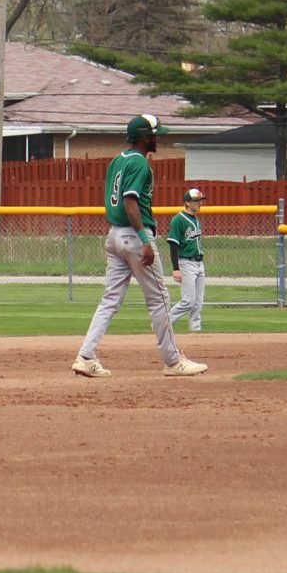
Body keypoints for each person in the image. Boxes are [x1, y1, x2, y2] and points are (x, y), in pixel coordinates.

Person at [74, 115, 209, 378]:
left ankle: (86, 356)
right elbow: (129, 202)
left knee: (109, 300)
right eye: (154, 135)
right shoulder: (139, 163)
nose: (157, 138)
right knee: (159, 299)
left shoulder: (118, 160)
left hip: (114, 235)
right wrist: (145, 240)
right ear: (145, 137)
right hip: (136, 236)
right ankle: (173, 362)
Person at [167, 186, 208, 333]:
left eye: (200, 200)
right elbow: (173, 245)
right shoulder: (178, 220)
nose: (200, 203)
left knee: (198, 303)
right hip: (186, 263)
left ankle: (195, 332)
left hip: (199, 263)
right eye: (196, 201)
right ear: (187, 202)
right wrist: (176, 269)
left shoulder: (195, 219)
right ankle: (163, 323)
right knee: (188, 301)